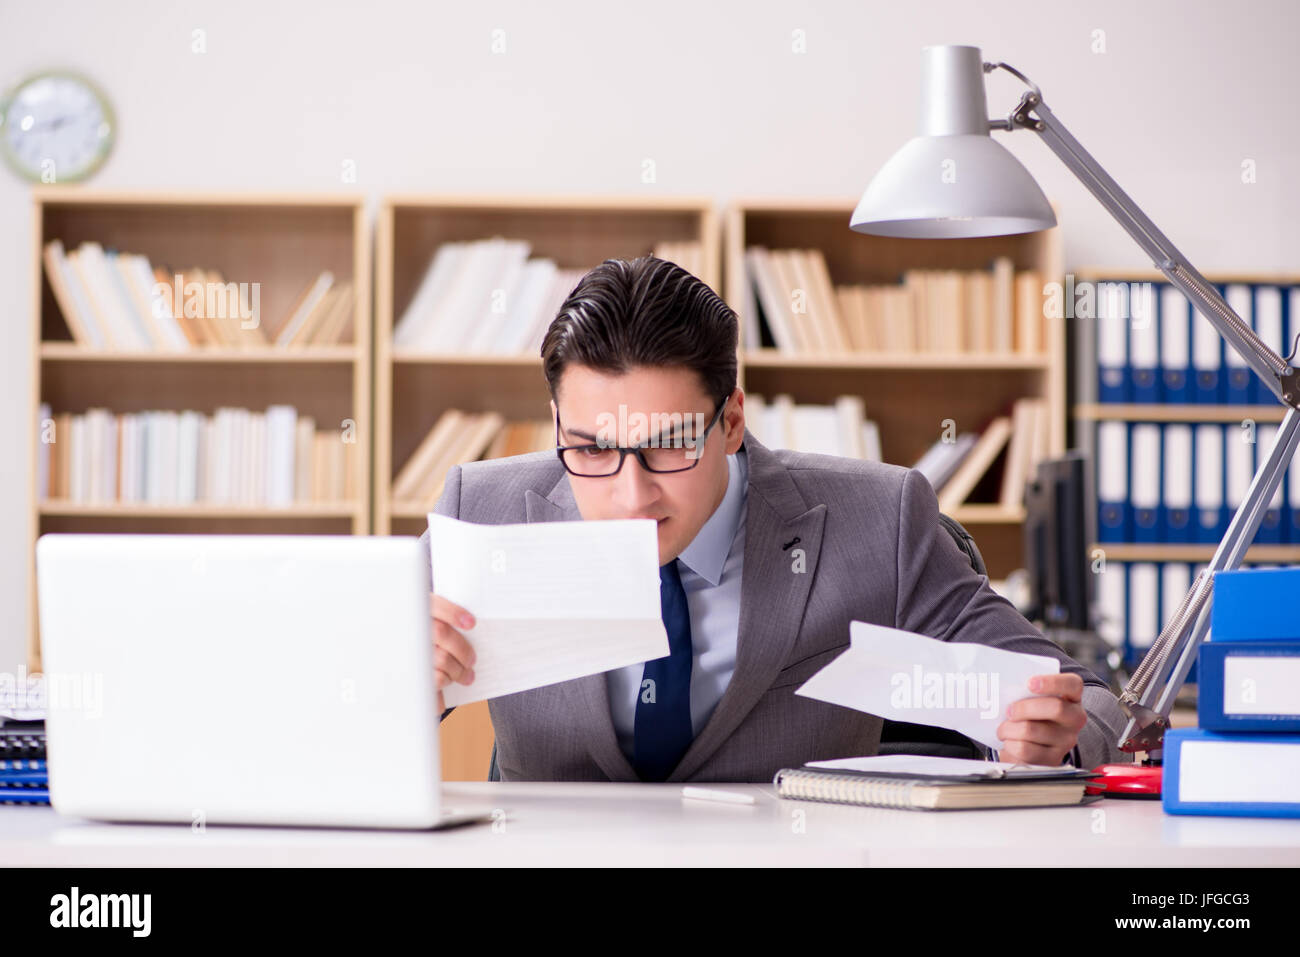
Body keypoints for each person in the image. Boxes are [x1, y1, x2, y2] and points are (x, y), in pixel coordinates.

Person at [421, 255, 1132, 782]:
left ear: (730, 421)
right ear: (556, 424)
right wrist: (397, 685)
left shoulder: (876, 524)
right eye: (591, 448)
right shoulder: (481, 516)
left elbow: (1100, 704)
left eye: (667, 445)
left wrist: (1052, 739)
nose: (631, 494)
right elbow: (329, 703)